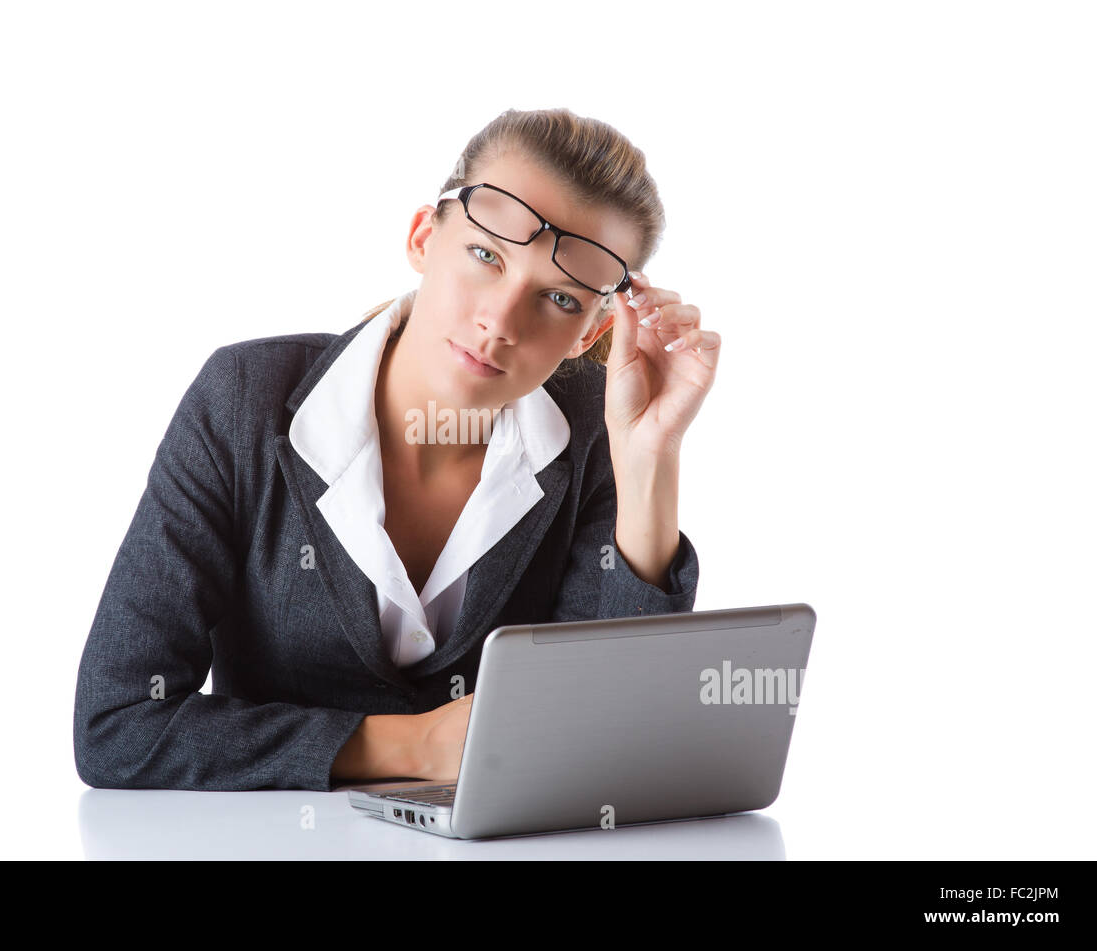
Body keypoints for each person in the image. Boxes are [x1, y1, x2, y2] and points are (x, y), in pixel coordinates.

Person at [73, 107, 721, 792]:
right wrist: (414, 744)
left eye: (559, 298)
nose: (498, 321)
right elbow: (117, 724)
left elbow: (608, 740)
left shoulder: (597, 433)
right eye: (484, 256)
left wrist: (650, 456)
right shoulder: (242, 402)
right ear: (422, 237)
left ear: (591, 336)